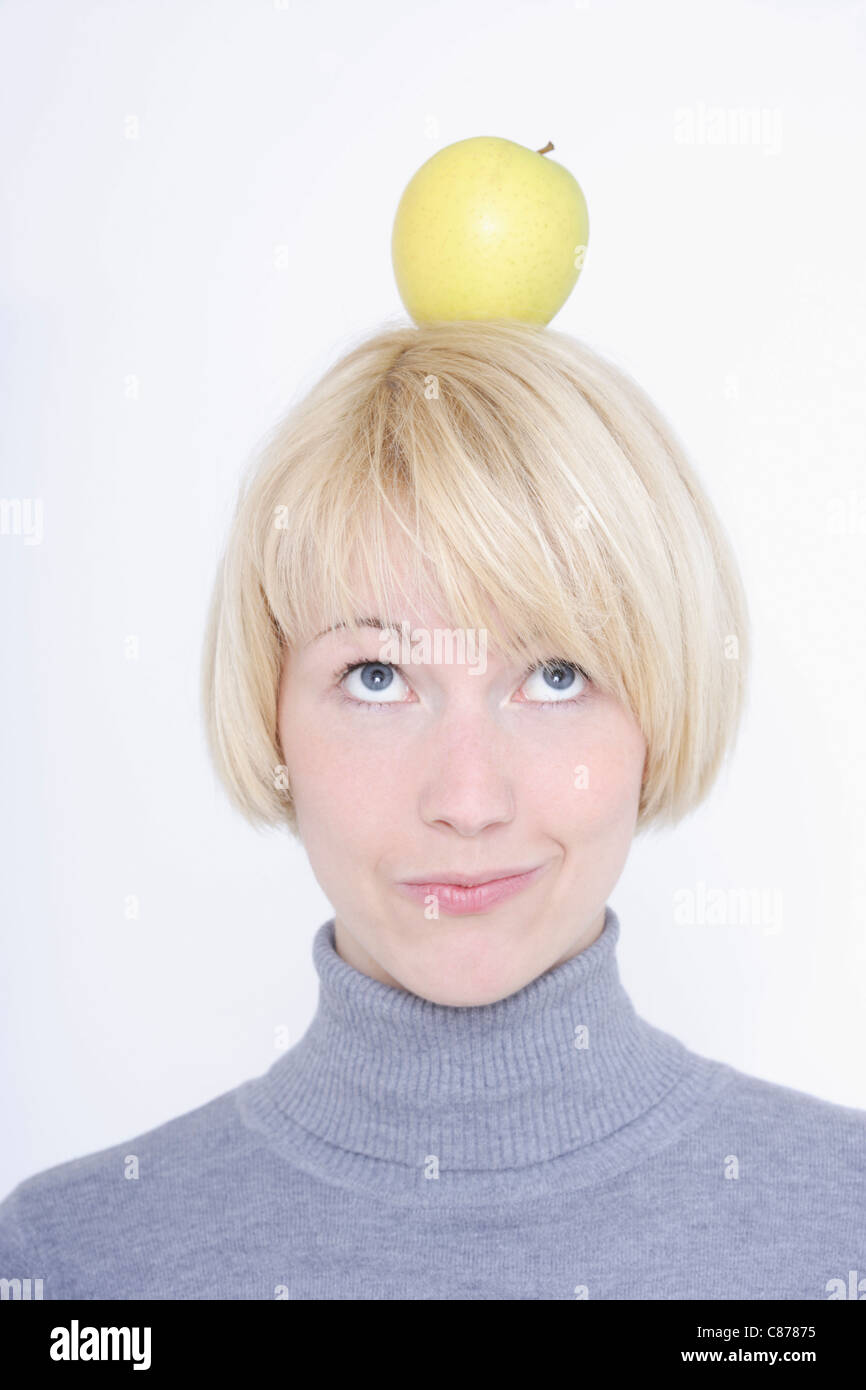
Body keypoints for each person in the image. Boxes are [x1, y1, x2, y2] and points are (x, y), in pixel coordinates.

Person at [1, 319, 863, 1300]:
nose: (465, 799)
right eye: (376, 675)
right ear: (270, 711)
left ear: (658, 710)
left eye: (552, 673)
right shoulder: (71, 1264)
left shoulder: (845, 1227)